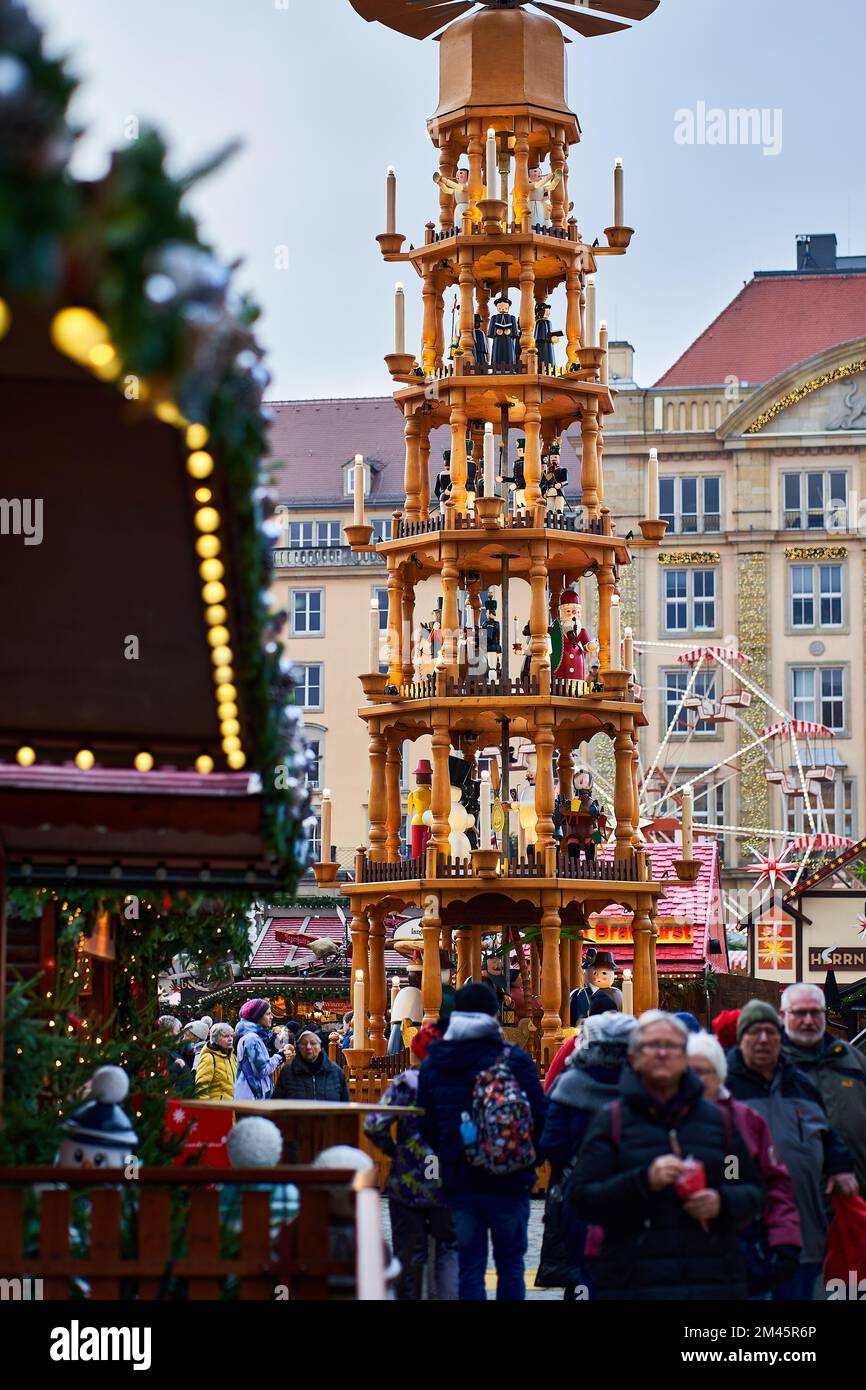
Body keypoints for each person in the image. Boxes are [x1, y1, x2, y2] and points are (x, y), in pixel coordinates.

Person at [569, 1010, 763, 1301]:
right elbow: (584, 1198)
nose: (662, 1053)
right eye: (651, 1046)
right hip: (634, 1281)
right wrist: (643, 1181)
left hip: (710, 1279)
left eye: (671, 1046)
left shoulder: (719, 1123)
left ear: (685, 1057)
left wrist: (721, 1201)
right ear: (634, 1057)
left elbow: (746, 1186)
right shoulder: (612, 1122)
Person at [416, 982, 547, 1301]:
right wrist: (530, 1159)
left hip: (461, 1179)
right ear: (493, 1014)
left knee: (470, 1265)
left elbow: (425, 1122)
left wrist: (450, 1154)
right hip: (511, 1177)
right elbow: (541, 1115)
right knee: (511, 1264)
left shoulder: (435, 1061)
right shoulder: (513, 1058)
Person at [725, 999, 858, 1300]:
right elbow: (723, 1153)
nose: (763, 1040)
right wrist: (732, 1177)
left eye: (770, 1032)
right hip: (744, 1233)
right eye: (754, 1032)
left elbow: (825, 1131)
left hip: (804, 1232)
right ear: (741, 1038)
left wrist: (839, 1163)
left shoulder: (801, 1085)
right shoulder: (724, 1088)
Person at [687, 1031, 802, 1297]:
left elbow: (776, 1185)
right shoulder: (664, 1121)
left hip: (740, 1259)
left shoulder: (745, 1120)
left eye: (701, 1073)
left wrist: (784, 1240)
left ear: (719, 1076)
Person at [537, 1011, 636, 1297]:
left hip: (577, 1190)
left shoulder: (570, 1084)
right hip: (630, 1191)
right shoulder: (641, 1086)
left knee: (580, 1268)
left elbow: (551, 1144)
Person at [364, 1022, 458, 1300]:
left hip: (408, 1181)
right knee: (449, 1251)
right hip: (449, 1182)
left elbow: (374, 1125)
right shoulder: (459, 1082)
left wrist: (393, 1150)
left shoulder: (407, 1083)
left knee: (408, 1255)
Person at [780, 982, 866, 1192]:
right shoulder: (771, 1064)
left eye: (815, 1012)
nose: (808, 1020)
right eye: (800, 1013)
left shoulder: (852, 1059)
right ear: (783, 1016)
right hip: (794, 1200)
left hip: (855, 1194)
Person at [272, 1029, 350, 1101]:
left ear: (320, 1046)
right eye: (304, 1043)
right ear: (298, 1047)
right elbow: (277, 1104)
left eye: (313, 1043)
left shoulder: (335, 1072)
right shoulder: (288, 1072)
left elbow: (345, 1106)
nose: (308, 1047)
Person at [234, 999, 288, 1101]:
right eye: (268, 1014)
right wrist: (280, 1056)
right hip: (252, 1098)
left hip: (249, 1095)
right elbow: (262, 1070)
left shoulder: (250, 1036)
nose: (272, 1017)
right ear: (257, 1017)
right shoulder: (252, 1038)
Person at [195, 1021, 238, 1100]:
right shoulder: (209, 1058)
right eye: (226, 1036)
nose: (230, 1039)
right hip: (217, 1107)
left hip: (232, 1106)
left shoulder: (232, 1057)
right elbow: (201, 1086)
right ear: (216, 1039)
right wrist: (207, 1108)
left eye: (231, 1036)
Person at [157, 1014, 195, 1092]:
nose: (180, 1034)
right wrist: (176, 1067)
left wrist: (189, 1056)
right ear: (168, 1032)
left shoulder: (174, 1051)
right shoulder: (162, 1053)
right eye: (177, 1031)